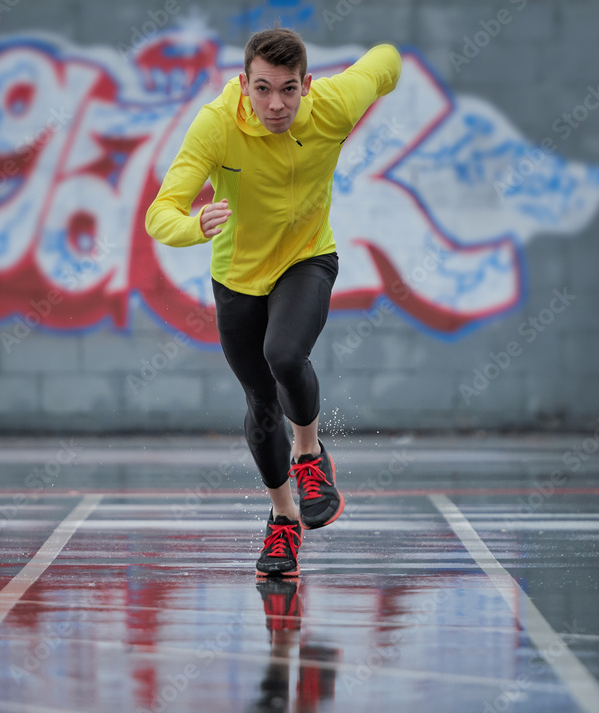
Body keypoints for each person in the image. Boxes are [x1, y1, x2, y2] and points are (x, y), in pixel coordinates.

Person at [146, 27, 402, 577]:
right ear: (243, 84)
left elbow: (384, 56)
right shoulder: (216, 124)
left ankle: (309, 454)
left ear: (307, 85)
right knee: (261, 401)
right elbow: (159, 213)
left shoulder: (333, 105)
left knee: (285, 354)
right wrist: (194, 226)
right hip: (237, 277)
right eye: (262, 89)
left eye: (288, 89)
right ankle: (283, 519)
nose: (276, 104)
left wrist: (391, 72)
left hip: (307, 258)